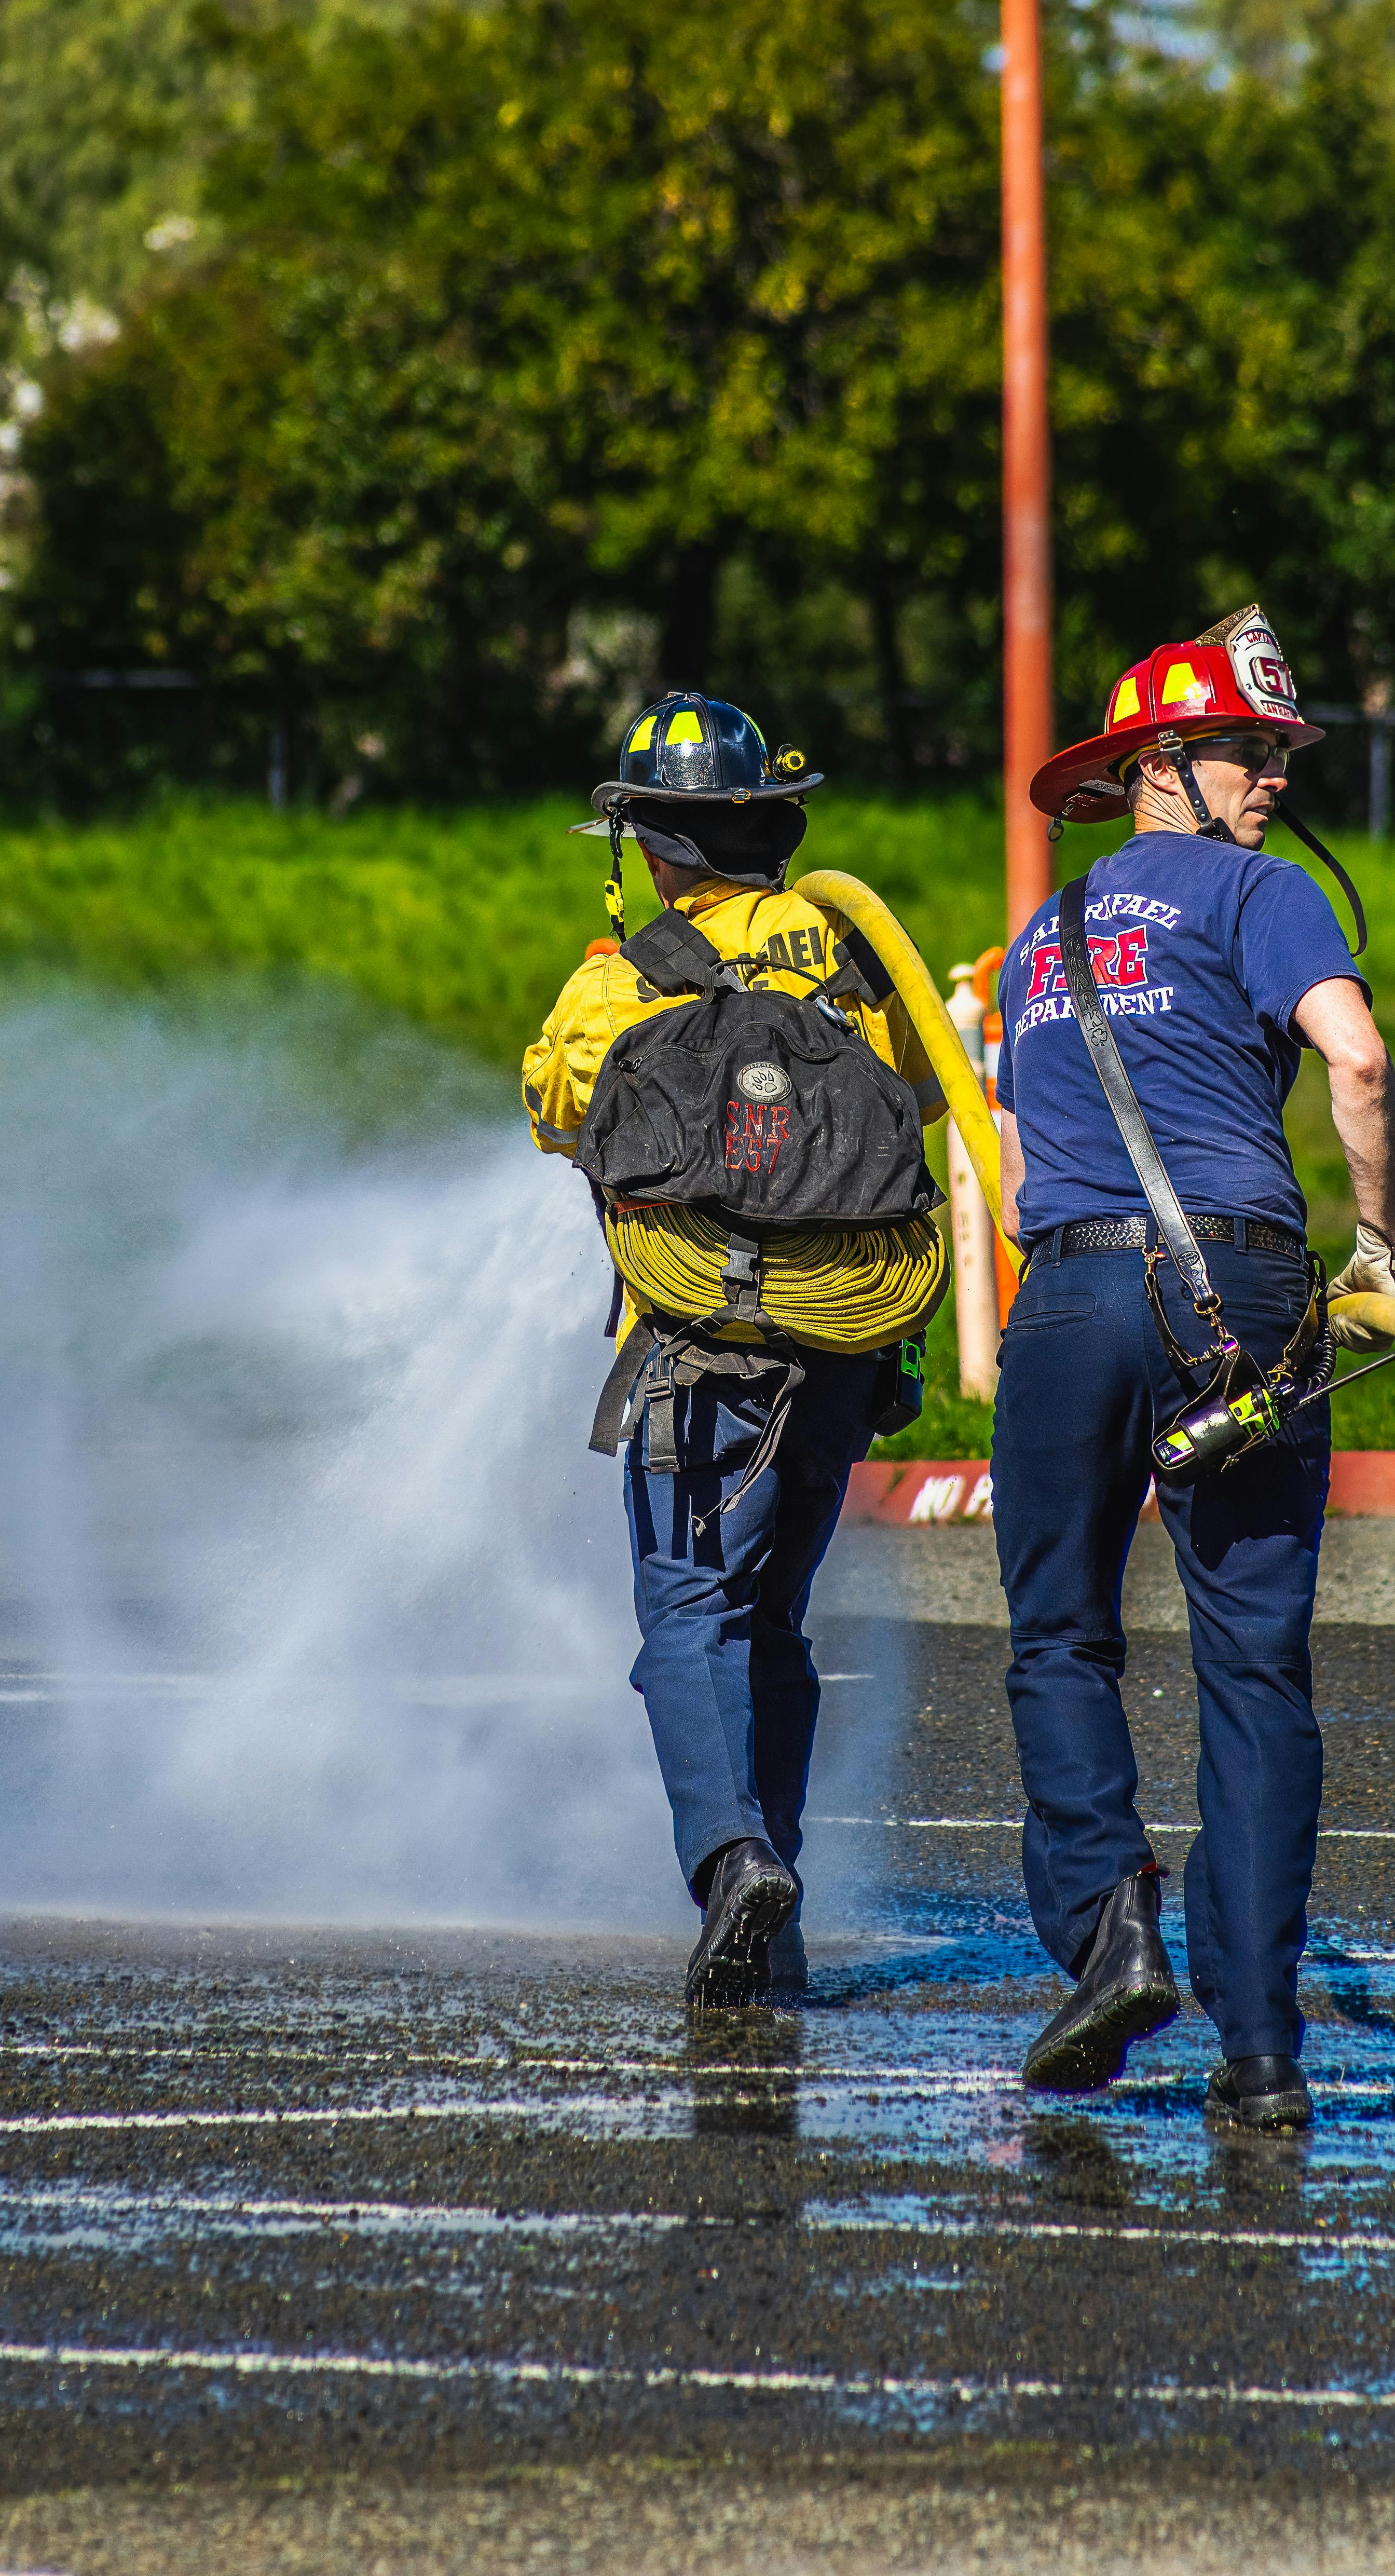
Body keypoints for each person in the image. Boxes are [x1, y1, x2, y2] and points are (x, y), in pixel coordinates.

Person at [992, 605, 1395, 2133]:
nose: (1273, 783)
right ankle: (1262, 2054)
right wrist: (1383, 1243)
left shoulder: (1037, 946)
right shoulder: (1265, 896)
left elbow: (1013, 1150)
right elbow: (1357, 1060)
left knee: (1059, 1637)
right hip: (1233, 1289)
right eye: (1249, 752)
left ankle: (1111, 1931)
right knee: (1252, 1663)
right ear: (1161, 765)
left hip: (1061, 1296)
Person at [523, 692, 947, 2008]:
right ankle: (781, 1927)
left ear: (650, 845)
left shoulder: (619, 976)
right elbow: (921, 1097)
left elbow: (555, 1100)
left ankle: (731, 1860)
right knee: (772, 1617)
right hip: (841, 1350)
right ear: (770, 821)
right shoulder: (846, 954)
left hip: (700, 1348)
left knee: (683, 1617)